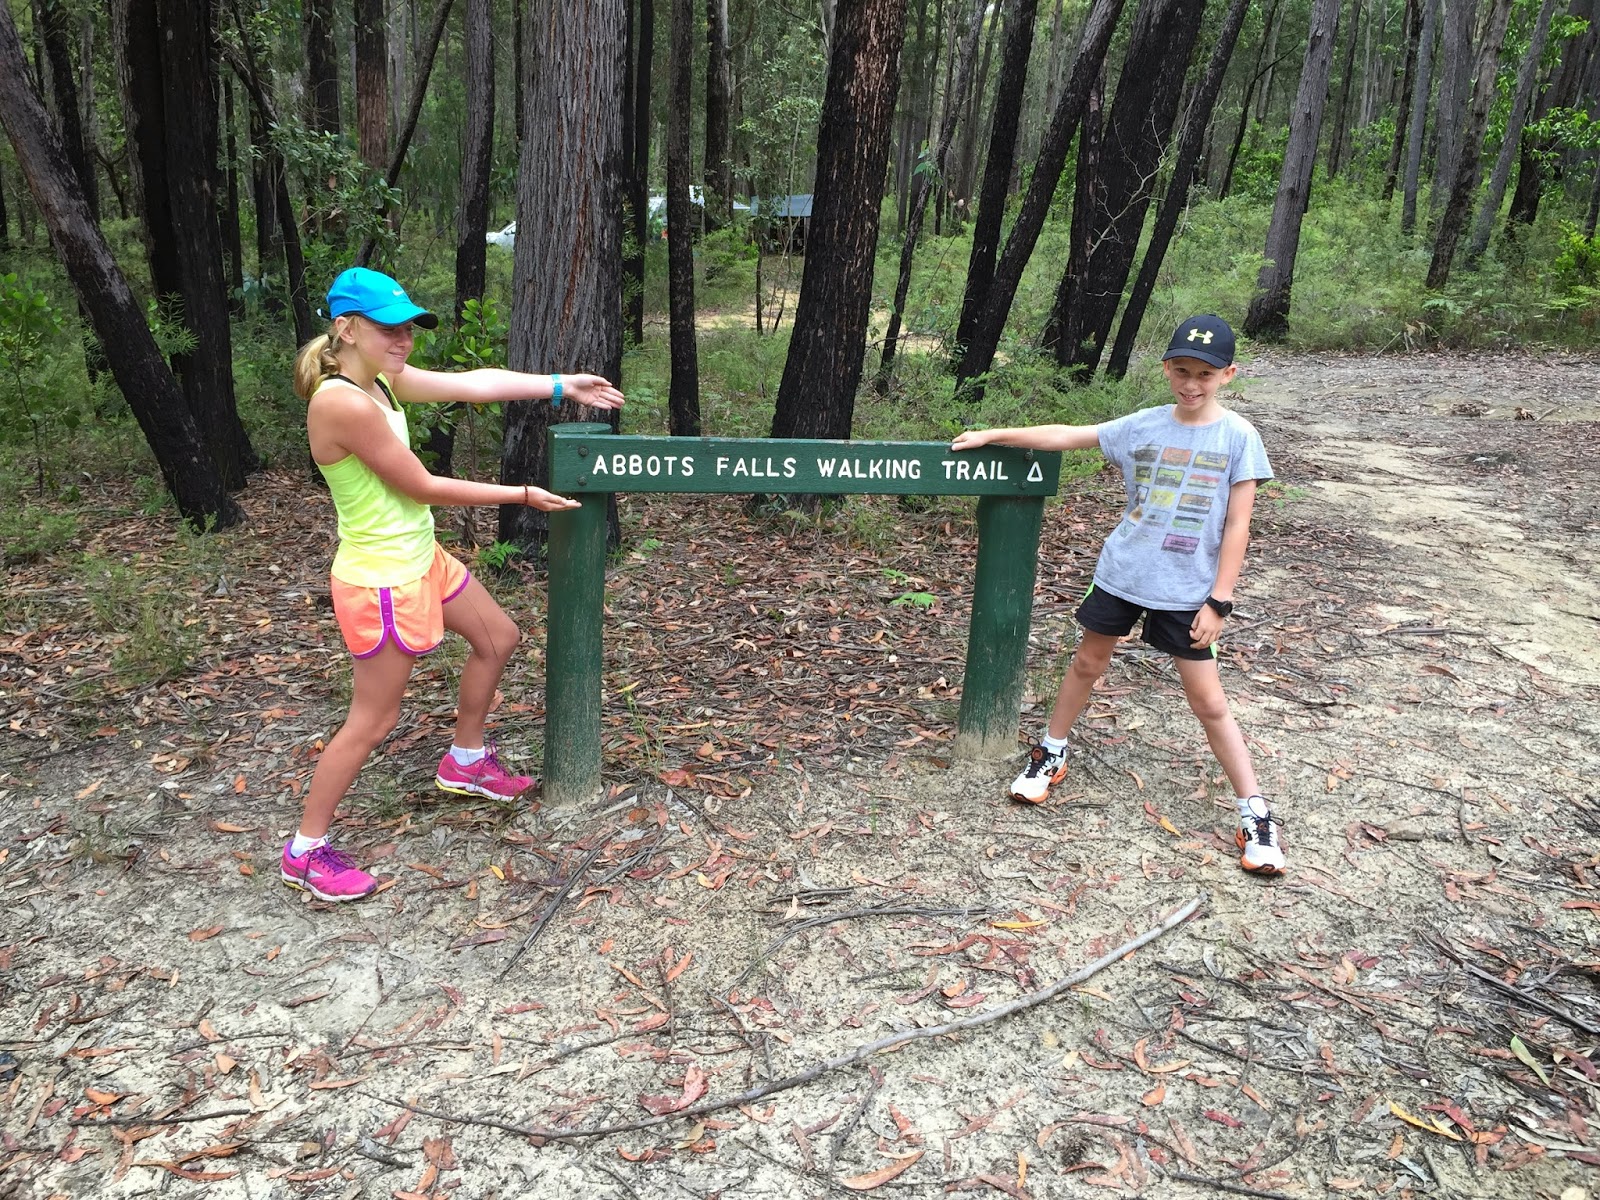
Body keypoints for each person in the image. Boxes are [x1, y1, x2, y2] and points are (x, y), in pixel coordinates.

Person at [284, 267, 625, 901]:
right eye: (389, 328)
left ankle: (465, 760)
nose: (403, 339)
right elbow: (423, 486)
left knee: (498, 637)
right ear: (346, 328)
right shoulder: (340, 402)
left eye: (408, 327)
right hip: (381, 579)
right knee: (374, 718)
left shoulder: (380, 382)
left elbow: (473, 385)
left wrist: (558, 385)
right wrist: (522, 493)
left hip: (421, 557)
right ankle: (306, 849)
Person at [951, 315, 1283, 874]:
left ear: (1228, 374)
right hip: (1122, 572)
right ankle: (1051, 753)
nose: (1191, 384)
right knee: (1086, 662)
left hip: (1188, 590)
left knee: (1208, 701)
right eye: (1181, 371)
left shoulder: (1238, 437)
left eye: (1204, 374)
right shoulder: (1145, 424)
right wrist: (994, 435)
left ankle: (1255, 812)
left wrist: (1219, 600)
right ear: (1166, 368)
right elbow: (1069, 436)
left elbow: (1237, 526)